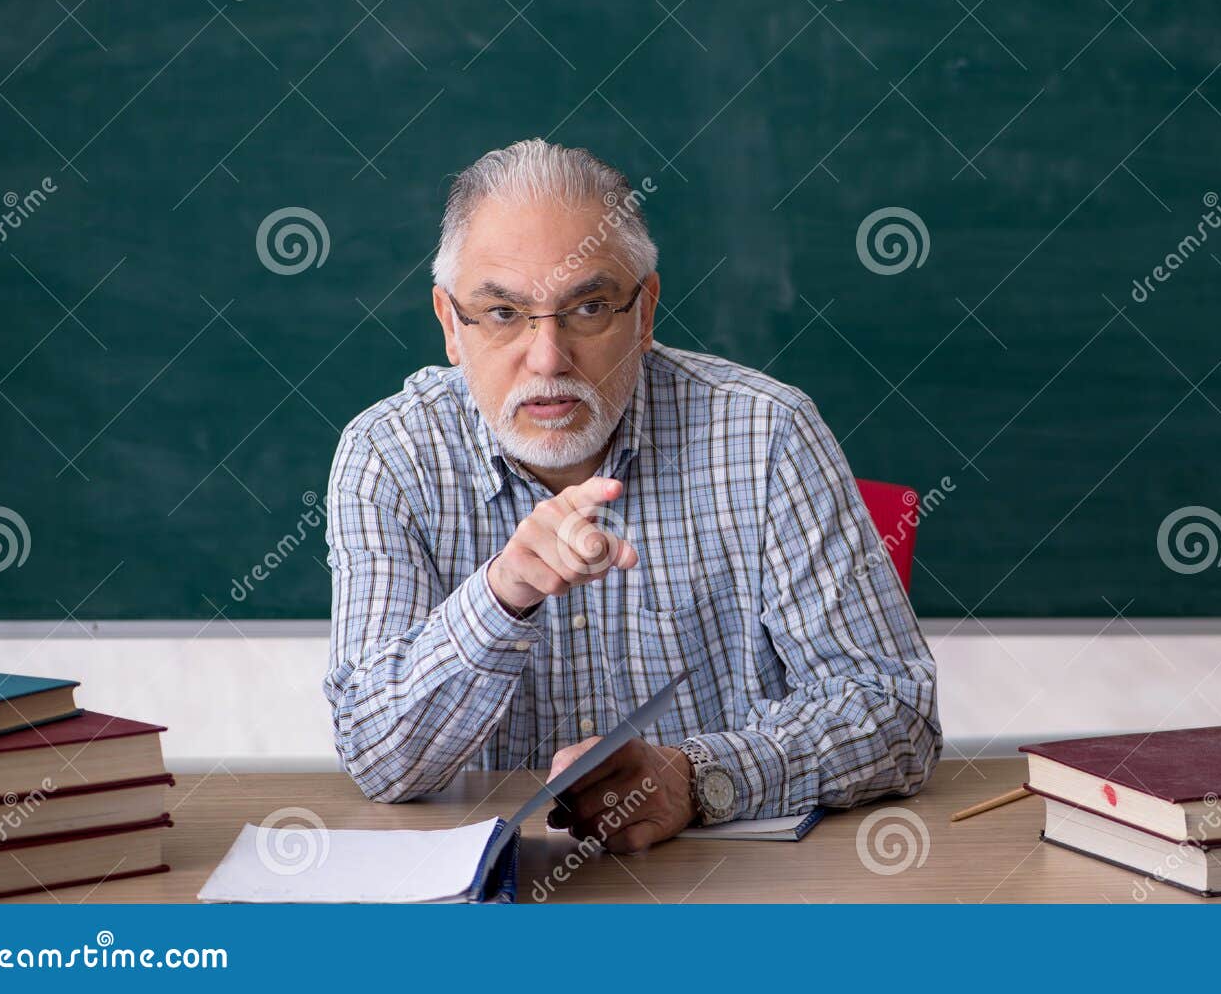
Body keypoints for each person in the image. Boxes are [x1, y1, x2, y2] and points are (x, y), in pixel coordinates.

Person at [324, 138, 939, 852]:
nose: (548, 358)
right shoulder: (389, 456)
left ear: (643, 311)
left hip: (727, 899)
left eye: (587, 308)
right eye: (501, 314)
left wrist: (698, 776)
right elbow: (378, 756)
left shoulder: (769, 433)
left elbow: (894, 714)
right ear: (449, 325)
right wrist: (502, 593)